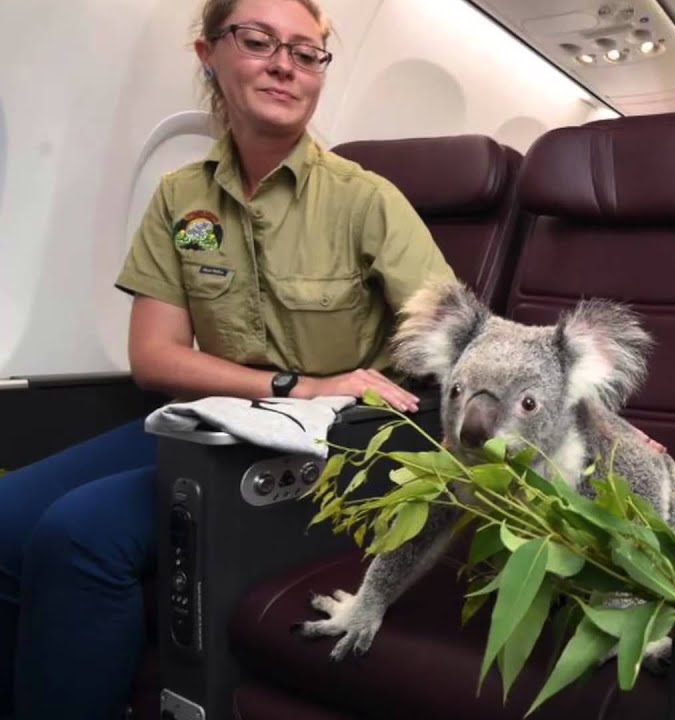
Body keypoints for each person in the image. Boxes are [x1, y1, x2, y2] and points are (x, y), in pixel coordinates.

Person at [0, 0, 454, 716]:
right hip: (211, 423)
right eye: (258, 40)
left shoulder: (367, 200)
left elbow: (460, 340)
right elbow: (153, 356)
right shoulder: (181, 198)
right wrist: (293, 382)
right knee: (4, 513)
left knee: (80, 534)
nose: (284, 65)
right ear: (208, 53)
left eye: (307, 53)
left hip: (330, 449)